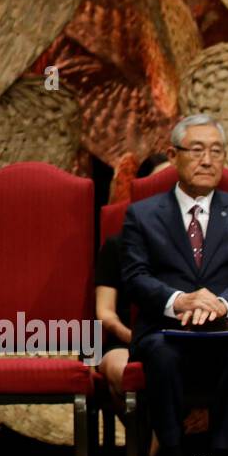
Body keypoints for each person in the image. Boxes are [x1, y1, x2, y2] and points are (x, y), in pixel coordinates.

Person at [121, 113, 228, 456]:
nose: (208, 160)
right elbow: (134, 276)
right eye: (197, 150)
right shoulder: (143, 214)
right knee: (162, 355)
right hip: (165, 330)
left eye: (216, 151)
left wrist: (222, 304)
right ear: (173, 155)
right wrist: (179, 301)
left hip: (226, 331)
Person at [95, 154, 170, 398]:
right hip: (125, 340)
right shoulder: (118, 246)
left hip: (176, 343)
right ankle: (148, 437)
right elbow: (105, 311)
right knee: (123, 371)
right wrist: (129, 334)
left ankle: (154, 437)